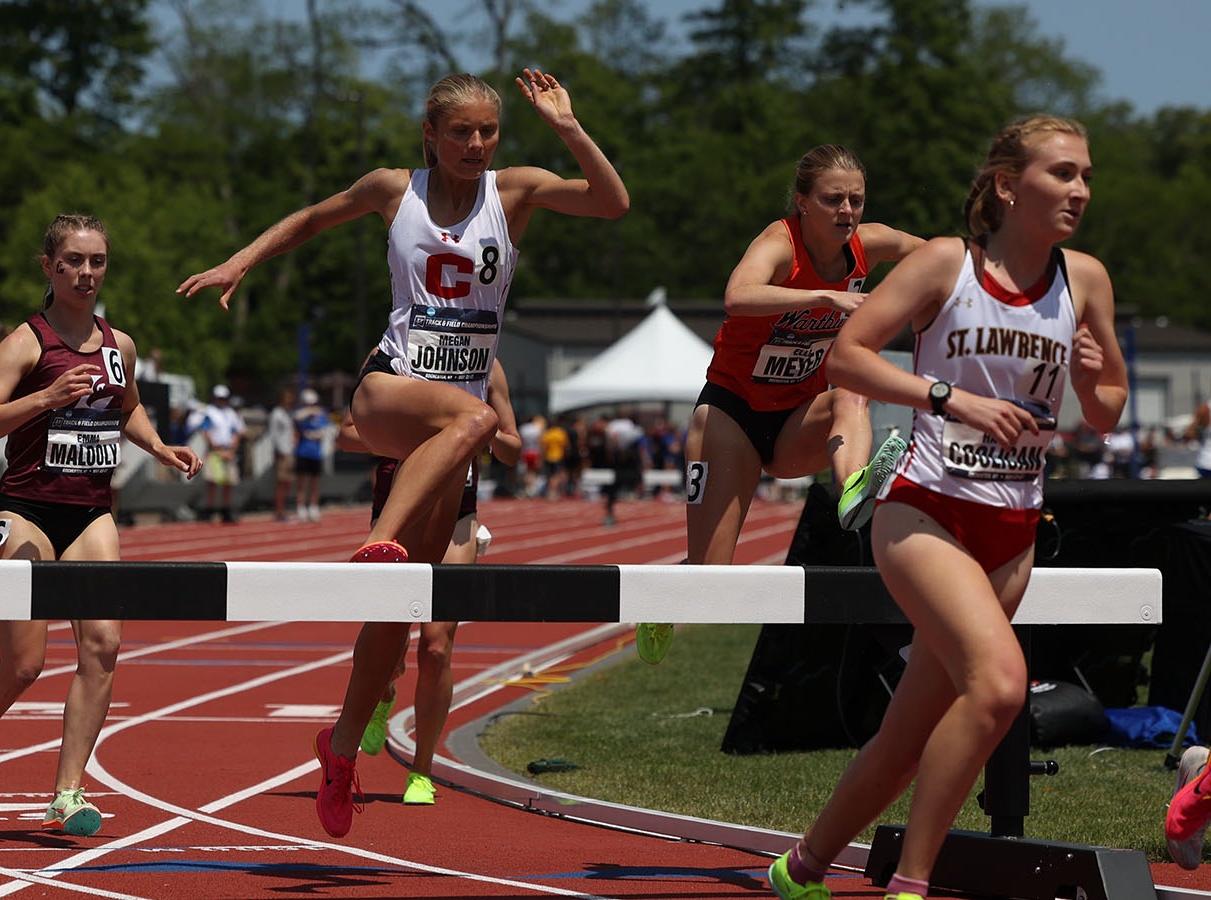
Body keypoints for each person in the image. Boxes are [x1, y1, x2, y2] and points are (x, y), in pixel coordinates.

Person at [178, 68, 628, 838]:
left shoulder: (513, 193)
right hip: (390, 391)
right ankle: (377, 540)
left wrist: (568, 126)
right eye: (462, 132)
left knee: (402, 617)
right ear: (431, 134)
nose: (477, 145)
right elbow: (312, 219)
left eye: (488, 131)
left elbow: (612, 203)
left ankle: (342, 748)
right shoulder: (395, 189)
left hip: (449, 439)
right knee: (479, 419)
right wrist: (240, 262)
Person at [766, 114, 1126, 900]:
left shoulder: (1085, 279)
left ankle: (801, 868)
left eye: (1086, 176)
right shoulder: (943, 264)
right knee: (998, 688)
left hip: (1012, 528)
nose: (1080, 190)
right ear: (1007, 185)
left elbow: (1106, 413)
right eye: (1062, 173)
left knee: (906, 738)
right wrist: (947, 396)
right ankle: (912, 887)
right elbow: (846, 356)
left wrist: (1098, 377)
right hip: (925, 509)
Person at [0, 214, 201, 838]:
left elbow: (127, 405)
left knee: (103, 646)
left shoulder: (119, 344)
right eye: (74, 262)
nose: (87, 273)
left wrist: (159, 447)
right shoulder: (26, 343)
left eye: (98, 262)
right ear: (50, 268)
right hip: (25, 509)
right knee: (25, 664)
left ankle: (67, 790)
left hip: (90, 511)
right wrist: (44, 399)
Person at [637, 144, 925, 665]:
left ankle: (851, 486)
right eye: (833, 199)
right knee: (711, 584)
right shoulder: (779, 242)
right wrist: (823, 298)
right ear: (802, 202)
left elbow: (942, 256)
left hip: (797, 419)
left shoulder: (871, 244)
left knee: (852, 390)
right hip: (732, 416)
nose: (846, 212)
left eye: (856, 201)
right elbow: (737, 296)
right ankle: (664, 594)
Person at [348, 359, 521, 806]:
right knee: (389, 637)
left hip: (459, 517)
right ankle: (383, 688)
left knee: (437, 645)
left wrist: (480, 434)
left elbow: (514, 448)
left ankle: (421, 769)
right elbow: (346, 433)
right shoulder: (393, 351)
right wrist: (418, 437)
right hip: (398, 516)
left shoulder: (488, 362)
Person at [195, 384, 246, 522]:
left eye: (224, 398)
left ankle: (226, 510)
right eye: (219, 398)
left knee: (228, 481)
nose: (221, 401)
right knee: (212, 481)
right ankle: (210, 510)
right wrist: (217, 449)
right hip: (215, 451)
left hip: (228, 450)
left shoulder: (231, 413)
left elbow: (238, 432)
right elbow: (206, 431)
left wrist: (231, 450)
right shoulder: (209, 412)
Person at [293, 387, 328, 521]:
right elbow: (296, 418)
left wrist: (313, 434)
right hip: (303, 452)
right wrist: (308, 412)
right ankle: (300, 507)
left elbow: (324, 430)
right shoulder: (303, 414)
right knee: (301, 482)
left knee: (315, 482)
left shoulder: (321, 414)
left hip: (316, 453)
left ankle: (313, 506)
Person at [267, 387, 297, 521]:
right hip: (282, 452)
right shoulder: (276, 414)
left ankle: (282, 509)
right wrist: (279, 451)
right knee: (281, 482)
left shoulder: (288, 413)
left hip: (290, 451)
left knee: (288, 482)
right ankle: (278, 511)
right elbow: (273, 434)